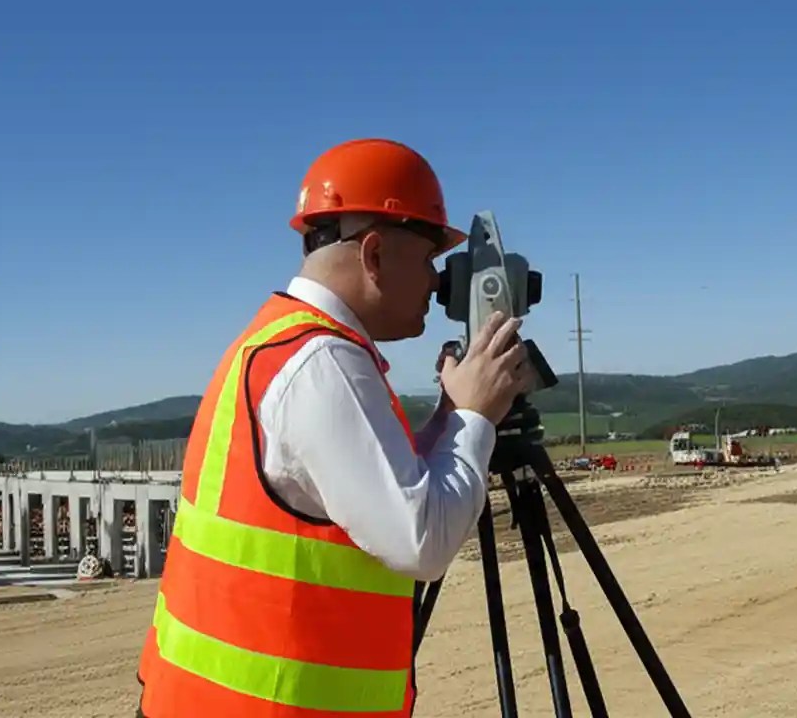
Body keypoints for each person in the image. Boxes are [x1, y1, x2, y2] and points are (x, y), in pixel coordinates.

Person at [134, 138, 535, 717]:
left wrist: (452, 415)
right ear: (374, 255)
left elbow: (369, 489)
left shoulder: (275, 342)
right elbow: (422, 540)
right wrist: (475, 420)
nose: (436, 282)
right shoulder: (322, 363)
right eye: (427, 261)